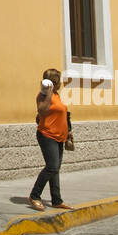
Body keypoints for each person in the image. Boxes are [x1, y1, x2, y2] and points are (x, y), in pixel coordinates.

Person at [28, 68, 73, 211]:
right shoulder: (43, 95)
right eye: (58, 80)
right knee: (52, 167)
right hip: (47, 135)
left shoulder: (57, 95)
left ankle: (56, 200)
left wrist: (68, 132)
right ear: (53, 82)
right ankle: (34, 196)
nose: (60, 83)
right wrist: (48, 92)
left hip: (60, 136)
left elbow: (62, 115)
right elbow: (42, 110)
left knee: (55, 169)